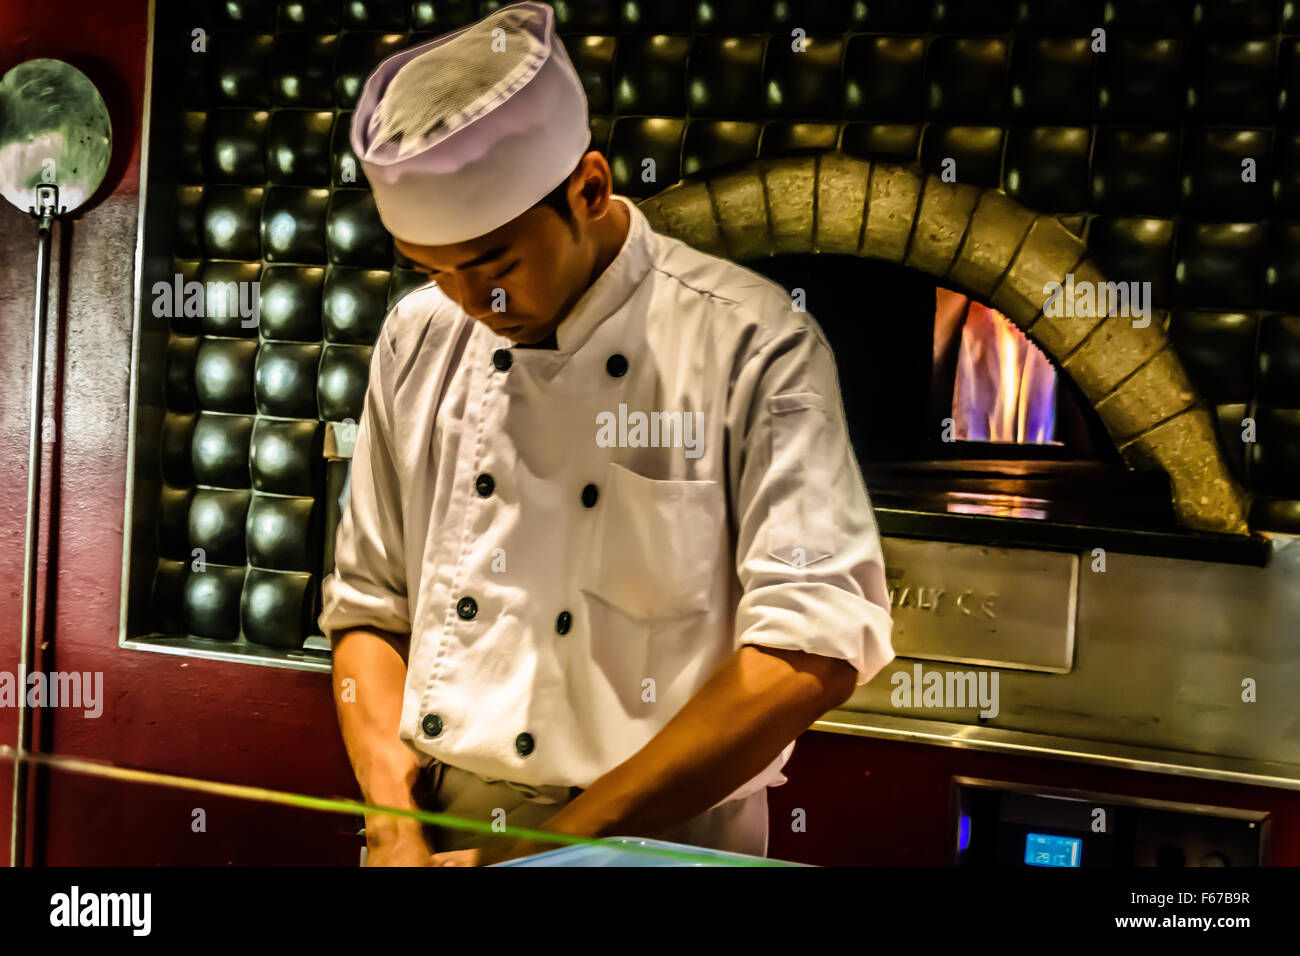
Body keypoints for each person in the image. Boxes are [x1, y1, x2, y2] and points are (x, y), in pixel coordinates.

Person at [319, 0, 894, 866]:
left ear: (588, 188)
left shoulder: (750, 340)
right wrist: (394, 826)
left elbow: (812, 646)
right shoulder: (418, 334)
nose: (474, 306)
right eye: (433, 271)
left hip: (653, 841)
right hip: (441, 828)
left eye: (495, 267)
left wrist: (554, 849)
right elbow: (370, 610)